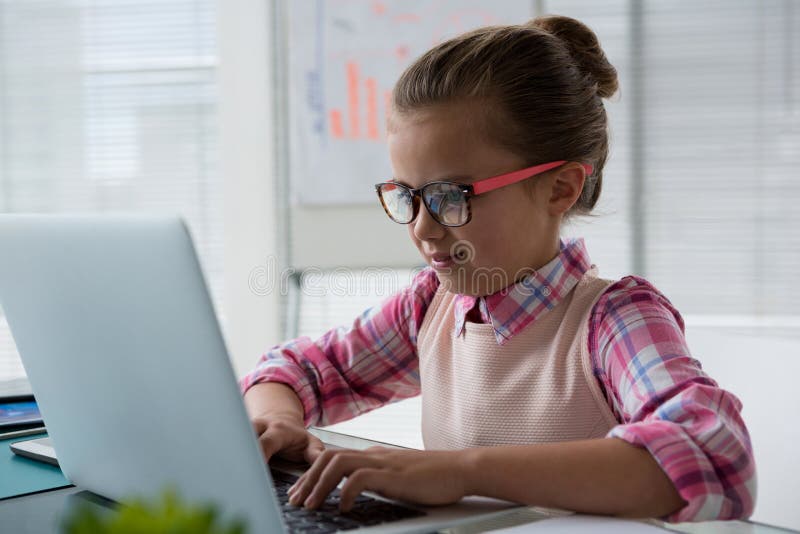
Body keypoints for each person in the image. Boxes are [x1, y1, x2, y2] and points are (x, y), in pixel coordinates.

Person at [239, 15, 756, 522]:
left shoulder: (613, 320)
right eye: (407, 196)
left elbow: (715, 456)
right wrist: (275, 420)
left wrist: (462, 472)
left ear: (560, 188)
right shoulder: (431, 306)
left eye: (450, 196)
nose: (422, 228)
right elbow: (293, 370)